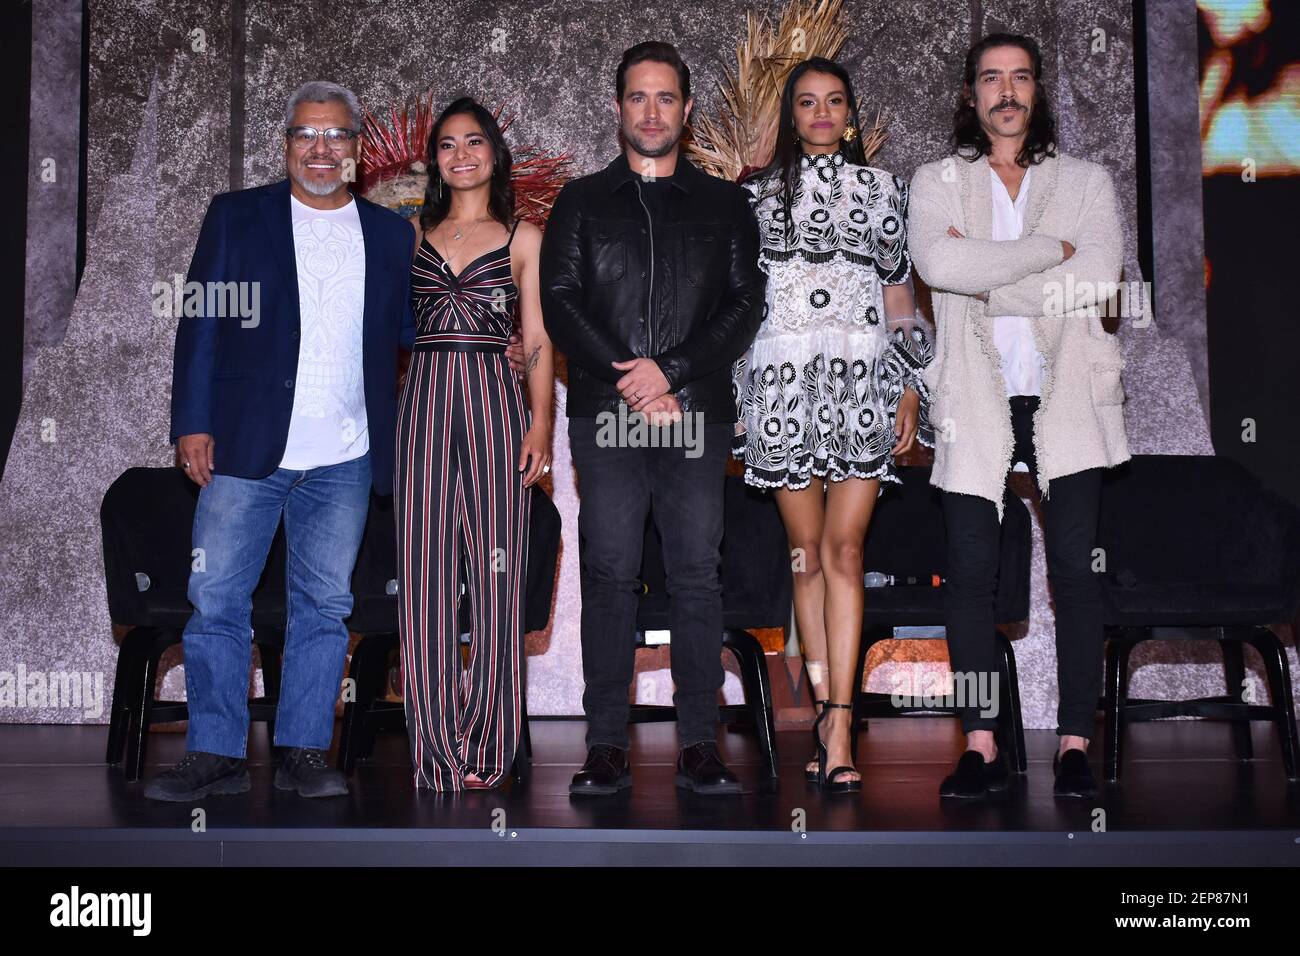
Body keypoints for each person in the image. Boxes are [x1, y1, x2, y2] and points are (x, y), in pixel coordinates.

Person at [147, 81, 416, 801]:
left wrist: (499, 347)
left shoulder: (391, 235)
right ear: (287, 143)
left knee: (325, 607)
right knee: (218, 600)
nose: (321, 150)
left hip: (347, 454)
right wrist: (192, 422)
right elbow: (199, 321)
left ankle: (302, 749)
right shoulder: (237, 216)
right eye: (307, 135)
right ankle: (215, 753)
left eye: (336, 137)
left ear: (358, 150)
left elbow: (410, 335)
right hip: (245, 446)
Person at [907, 33, 1129, 800]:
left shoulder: (1089, 182)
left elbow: (1097, 281)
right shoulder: (936, 180)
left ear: (1038, 90)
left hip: (1067, 393)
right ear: (971, 95)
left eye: (1020, 77)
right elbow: (938, 269)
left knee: (1075, 571)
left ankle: (1074, 744)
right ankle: (982, 746)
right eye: (991, 79)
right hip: (974, 394)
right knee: (968, 572)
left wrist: (985, 275)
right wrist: (1047, 252)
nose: (1006, 91)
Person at [540, 41, 766, 796]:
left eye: (666, 98)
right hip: (608, 413)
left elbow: (744, 309)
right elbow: (561, 304)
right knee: (609, 573)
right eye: (638, 97)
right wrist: (635, 382)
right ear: (617, 109)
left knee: (697, 575)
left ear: (687, 110)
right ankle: (605, 743)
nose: (651, 111)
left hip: (695, 411)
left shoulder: (726, 202)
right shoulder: (580, 201)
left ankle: (700, 741)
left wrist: (668, 372)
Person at [733, 57, 933, 793]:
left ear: (850, 113)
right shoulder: (752, 196)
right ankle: (823, 711)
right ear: (791, 114)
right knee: (806, 556)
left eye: (834, 100)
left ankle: (842, 722)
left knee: (846, 552)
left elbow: (901, 296)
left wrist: (910, 381)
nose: (821, 112)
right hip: (780, 385)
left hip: (864, 382)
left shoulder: (887, 191)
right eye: (807, 102)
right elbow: (739, 302)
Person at [396, 97, 553, 791]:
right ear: (435, 159)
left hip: (495, 399)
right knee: (425, 581)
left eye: (474, 142)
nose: (462, 154)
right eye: (449, 144)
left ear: (494, 152)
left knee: (496, 579)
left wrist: (541, 422)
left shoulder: (525, 236)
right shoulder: (410, 233)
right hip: (423, 400)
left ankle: (490, 747)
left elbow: (542, 340)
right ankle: (434, 752)